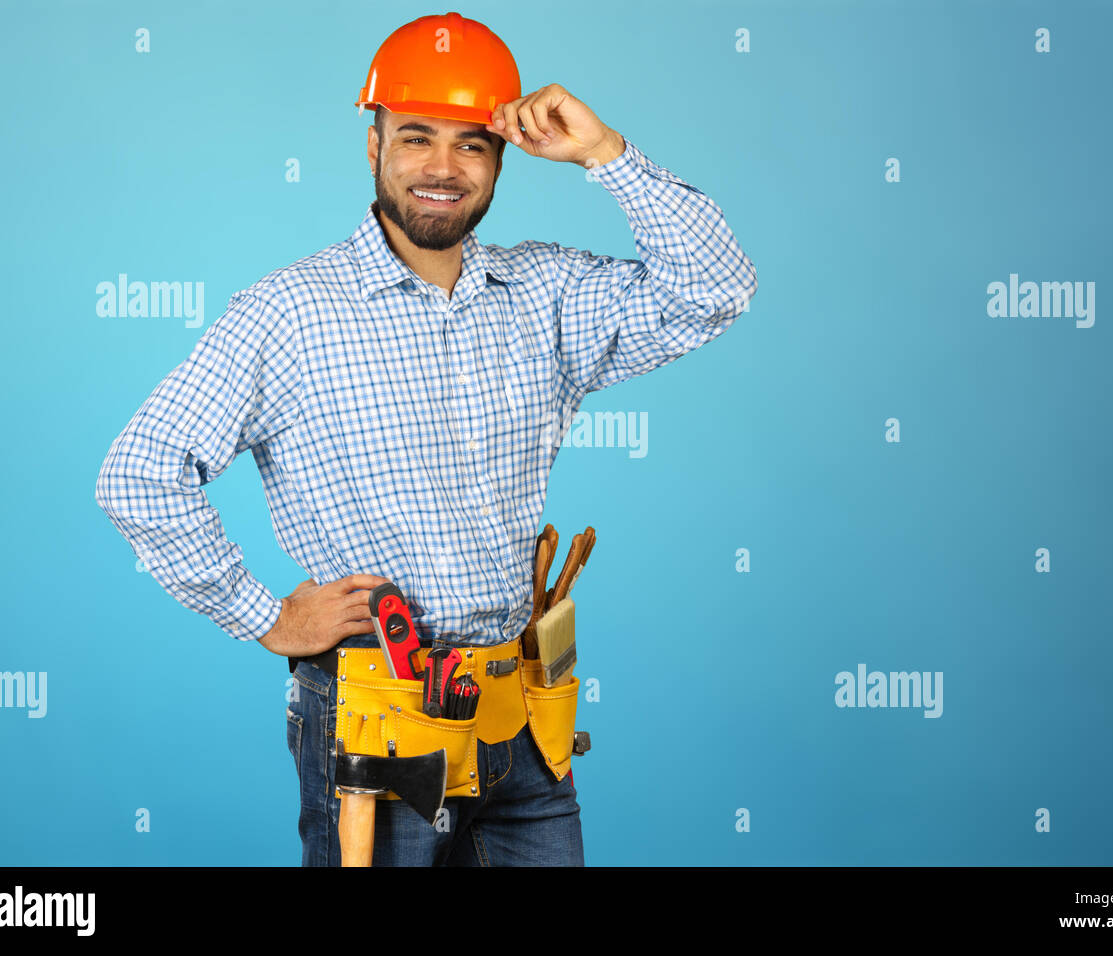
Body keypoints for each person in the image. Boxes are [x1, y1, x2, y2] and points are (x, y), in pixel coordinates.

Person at [95, 11, 757, 866]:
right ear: (371, 145)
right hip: (376, 720)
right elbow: (139, 474)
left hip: (521, 725)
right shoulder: (290, 313)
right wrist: (261, 614)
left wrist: (608, 154)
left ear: (503, 157)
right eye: (415, 137)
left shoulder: (545, 295)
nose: (443, 169)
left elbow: (714, 289)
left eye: (472, 143)